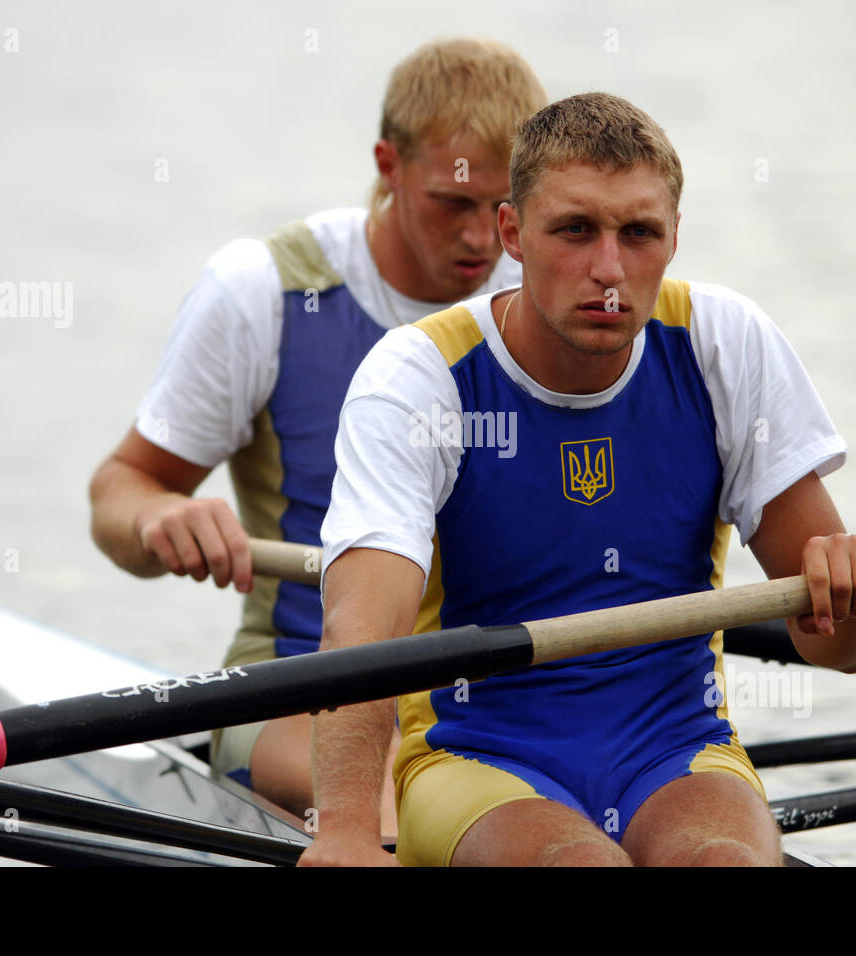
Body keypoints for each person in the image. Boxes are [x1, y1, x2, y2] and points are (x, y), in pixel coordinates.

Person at [303, 92, 856, 867]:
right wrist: (346, 832)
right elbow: (363, 632)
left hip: (678, 749)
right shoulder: (421, 378)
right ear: (514, 232)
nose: (609, 271)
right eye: (575, 230)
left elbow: (841, 652)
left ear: (675, 237)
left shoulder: (725, 345)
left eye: (639, 233)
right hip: (477, 754)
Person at [87, 39, 546, 827]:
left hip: (494, 695)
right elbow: (118, 490)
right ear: (388, 164)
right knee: (402, 813)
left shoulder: (553, 293)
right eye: (453, 203)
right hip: (298, 685)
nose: (482, 240)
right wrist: (159, 515)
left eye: (505, 210)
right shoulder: (261, 292)